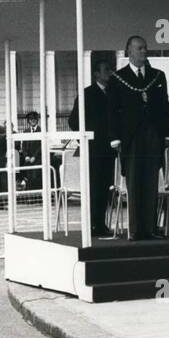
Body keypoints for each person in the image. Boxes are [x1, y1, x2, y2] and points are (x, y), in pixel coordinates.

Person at [108, 35, 169, 240]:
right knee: (134, 182)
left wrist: (166, 133)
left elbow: (164, 106)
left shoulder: (157, 76)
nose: (143, 51)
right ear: (129, 51)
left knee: (152, 181)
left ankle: (151, 228)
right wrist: (114, 137)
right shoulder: (118, 78)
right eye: (139, 48)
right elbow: (112, 111)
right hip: (131, 137)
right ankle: (135, 229)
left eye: (145, 48)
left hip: (153, 134)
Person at [67, 57, 117, 237]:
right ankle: (92, 223)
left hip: (109, 149)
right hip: (94, 148)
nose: (109, 73)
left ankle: (100, 223)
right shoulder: (87, 94)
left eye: (110, 69)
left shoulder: (114, 93)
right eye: (105, 69)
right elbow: (73, 120)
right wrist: (85, 138)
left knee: (105, 187)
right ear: (96, 73)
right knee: (94, 187)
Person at [17, 109, 44, 191]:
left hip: (38, 159)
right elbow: (24, 146)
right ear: (28, 121)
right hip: (28, 159)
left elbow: (41, 146)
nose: (32, 121)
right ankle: (29, 195)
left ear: (37, 120)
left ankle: (37, 196)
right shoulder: (26, 131)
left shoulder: (41, 131)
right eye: (31, 120)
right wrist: (26, 156)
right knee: (27, 176)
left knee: (35, 176)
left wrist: (34, 157)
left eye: (34, 119)